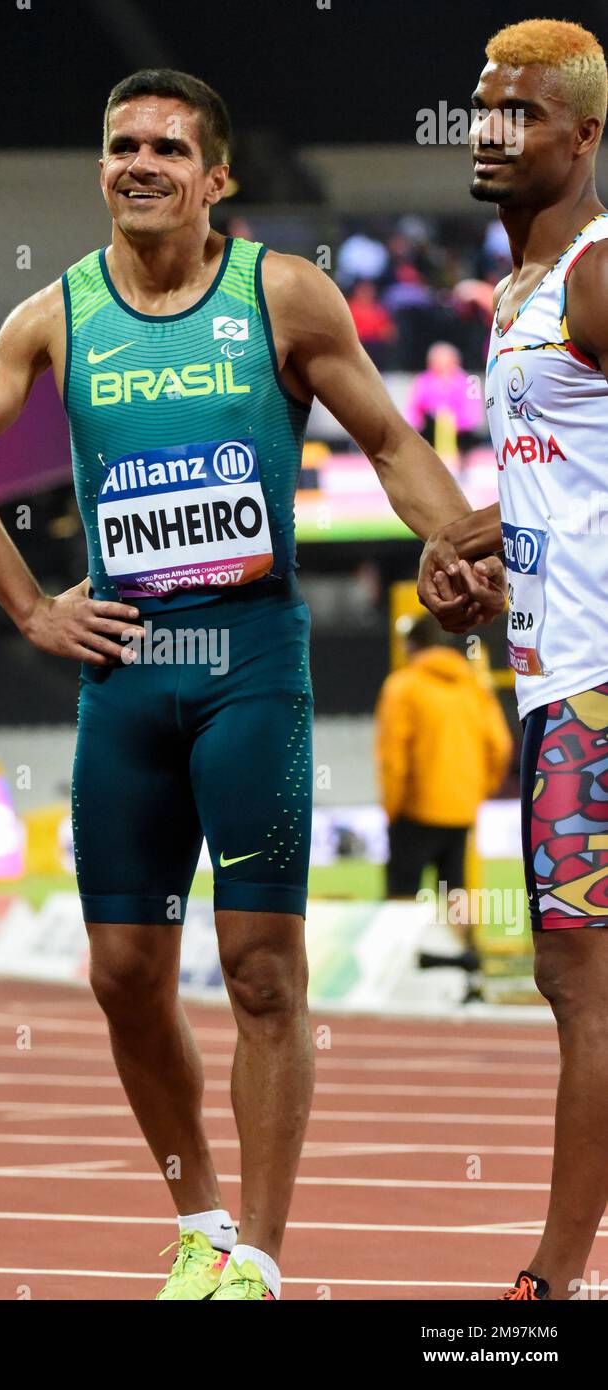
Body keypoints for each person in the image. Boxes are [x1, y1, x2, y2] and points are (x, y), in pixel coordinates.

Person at [0, 67, 474, 1301]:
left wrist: (458, 541)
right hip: (125, 673)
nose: (141, 163)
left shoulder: (279, 292)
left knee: (266, 970)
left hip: (248, 667)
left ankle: (260, 1259)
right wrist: (27, 605)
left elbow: (389, 440)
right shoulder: (57, 314)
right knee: (123, 976)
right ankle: (203, 1226)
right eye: (122, 145)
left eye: (169, 146)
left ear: (216, 176)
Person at [418, 19, 608, 1301]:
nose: (489, 134)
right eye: (480, 111)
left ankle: (552, 1279)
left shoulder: (598, 277)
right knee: (573, 977)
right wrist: (482, 555)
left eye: (520, 115)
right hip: (552, 673)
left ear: (585, 136)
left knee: (581, 983)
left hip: (600, 686)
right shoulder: (517, 296)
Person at [375, 614, 511, 929]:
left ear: (412, 645)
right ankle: (464, 964)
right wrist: (479, 790)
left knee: (402, 894)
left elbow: (392, 757)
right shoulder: (473, 686)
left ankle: (400, 965)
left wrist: (393, 808)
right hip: (461, 807)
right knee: (455, 890)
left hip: (414, 809)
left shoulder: (403, 686)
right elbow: (500, 745)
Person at [406, 341, 484, 460]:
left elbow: (473, 415)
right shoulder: (422, 381)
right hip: (430, 432)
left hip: (460, 434)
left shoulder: (470, 382)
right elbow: (413, 411)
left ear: (455, 362)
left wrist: (449, 419)